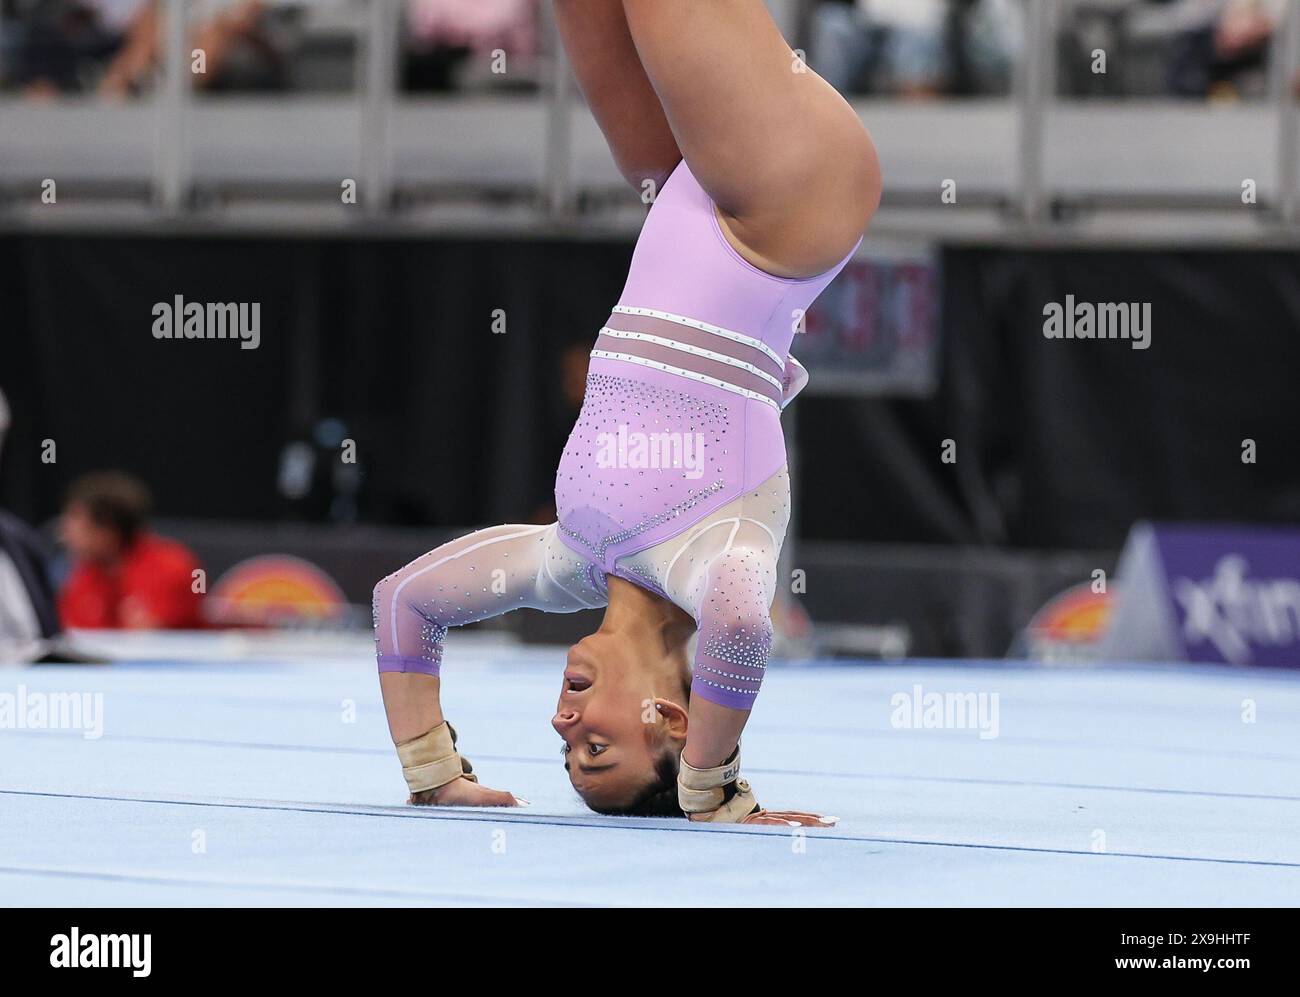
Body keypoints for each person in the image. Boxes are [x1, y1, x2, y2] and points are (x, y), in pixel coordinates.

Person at [373, 0, 880, 823]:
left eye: (565, 751)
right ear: (671, 718)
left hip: (683, 194)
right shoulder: (709, 561)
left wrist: (431, 766)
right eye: (596, 747)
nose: (563, 722)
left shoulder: (569, 558)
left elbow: (404, 598)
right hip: (784, 210)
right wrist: (711, 787)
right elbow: (745, 626)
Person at [58, 471, 204, 629]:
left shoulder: (174, 568)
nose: (65, 535)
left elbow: (156, 638)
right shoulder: (82, 576)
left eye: (76, 522)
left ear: (108, 530)